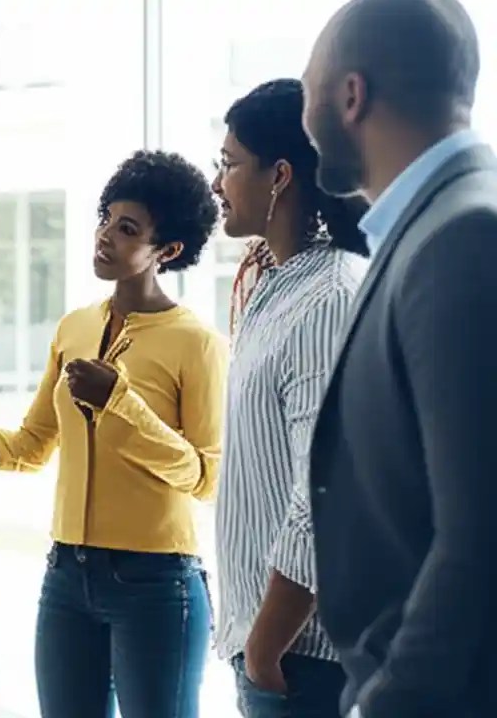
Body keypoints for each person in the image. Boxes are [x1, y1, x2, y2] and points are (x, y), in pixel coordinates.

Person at [0, 150, 226, 718]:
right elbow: (30, 447)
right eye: (105, 219)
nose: (104, 236)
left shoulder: (196, 343)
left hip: (155, 585)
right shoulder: (74, 326)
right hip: (67, 578)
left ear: (168, 250)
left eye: (127, 229)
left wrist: (121, 404)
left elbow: (205, 478)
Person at [301, 0, 497, 716]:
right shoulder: (434, 229)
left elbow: (479, 535)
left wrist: (390, 702)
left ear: (350, 96)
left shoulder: (463, 236)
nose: (305, 115)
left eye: (307, 89)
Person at [211, 78, 369, 718]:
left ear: (279, 175)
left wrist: (265, 647)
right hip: (272, 647)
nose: (217, 182)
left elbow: (325, 493)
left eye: (228, 165)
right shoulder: (277, 288)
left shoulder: (328, 299)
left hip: (301, 655)